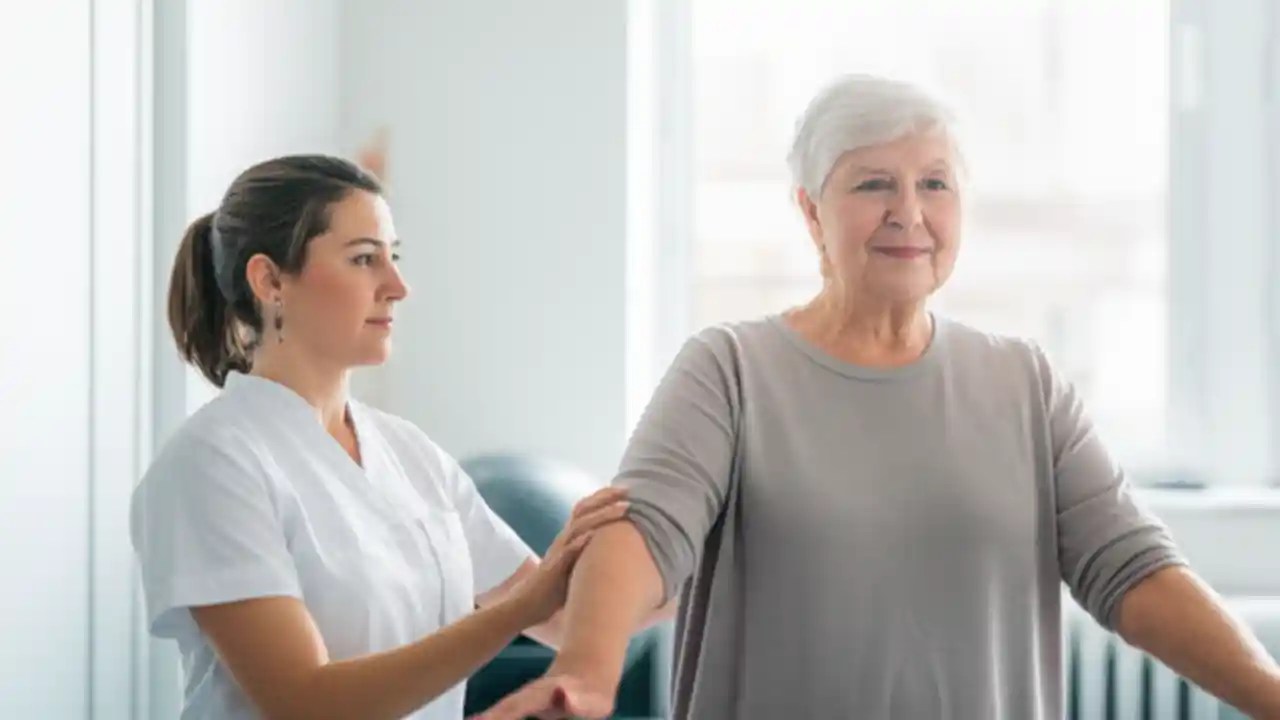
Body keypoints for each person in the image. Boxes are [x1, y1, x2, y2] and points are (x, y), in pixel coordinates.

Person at [477, 75, 1280, 719]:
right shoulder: (729, 369)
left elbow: (1134, 569)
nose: (910, 212)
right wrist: (585, 672)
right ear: (809, 211)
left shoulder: (1023, 383)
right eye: (873, 183)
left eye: (935, 183)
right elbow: (644, 536)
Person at [130, 154, 631, 720]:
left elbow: (564, 612)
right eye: (364, 259)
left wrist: (706, 550)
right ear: (270, 280)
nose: (397, 286)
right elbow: (306, 701)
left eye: (392, 257)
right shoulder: (211, 463)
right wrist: (516, 612)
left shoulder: (408, 452)